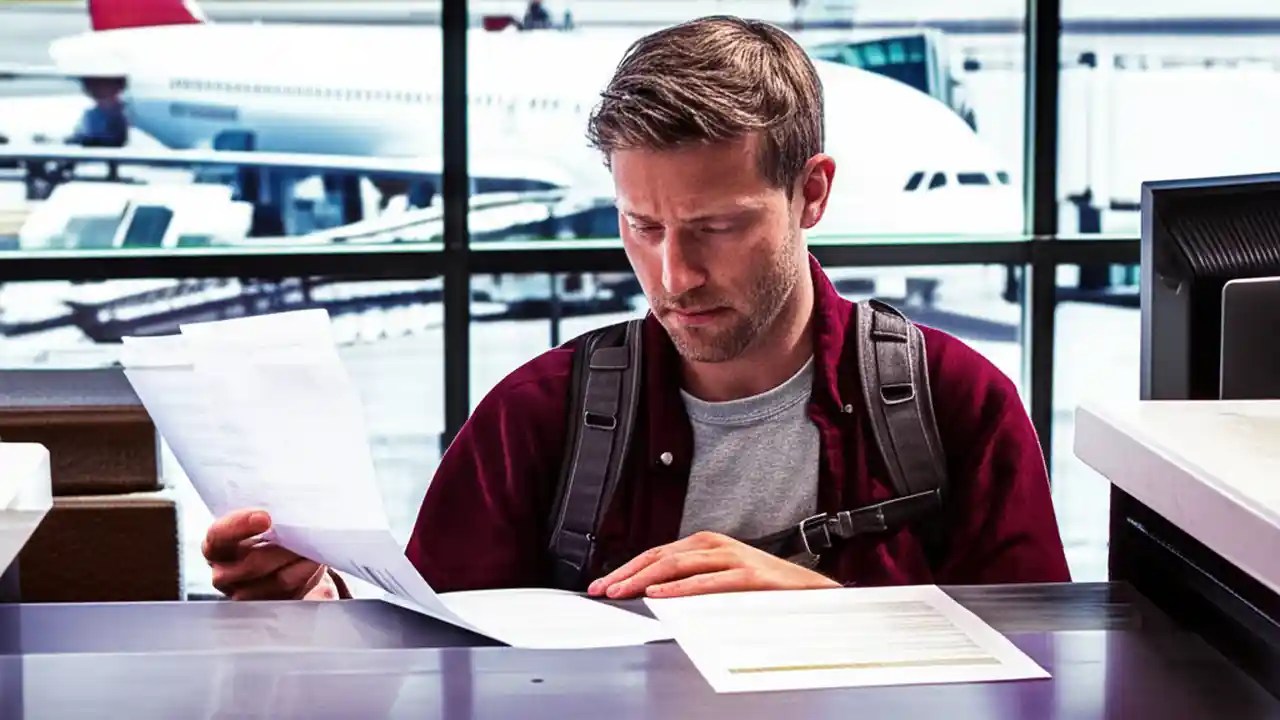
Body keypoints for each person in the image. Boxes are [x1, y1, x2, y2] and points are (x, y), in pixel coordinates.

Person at [202, 15, 1071, 604]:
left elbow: (1046, 677)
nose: (673, 275)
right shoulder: (537, 415)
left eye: (718, 228)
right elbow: (435, 654)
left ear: (811, 195)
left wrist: (832, 615)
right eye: (641, 225)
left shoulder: (956, 405)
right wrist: (318, 598)